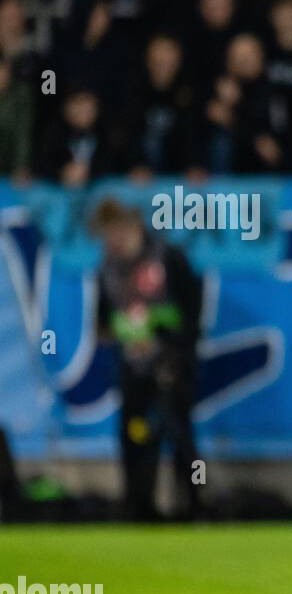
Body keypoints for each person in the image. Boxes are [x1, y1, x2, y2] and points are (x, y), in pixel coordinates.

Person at [92, 198, 204, 521]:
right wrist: (121, 331)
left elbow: (192, 312)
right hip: (133, 366)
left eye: (113, 232)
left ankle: (195, 503)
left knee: (180, 436)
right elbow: (102, 322)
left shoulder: (168, 258)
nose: (110, 241)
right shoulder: (108, 268)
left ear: (131, 226)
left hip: (172, 365)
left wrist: (171, 342)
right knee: (134, 435)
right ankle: (138, 506)